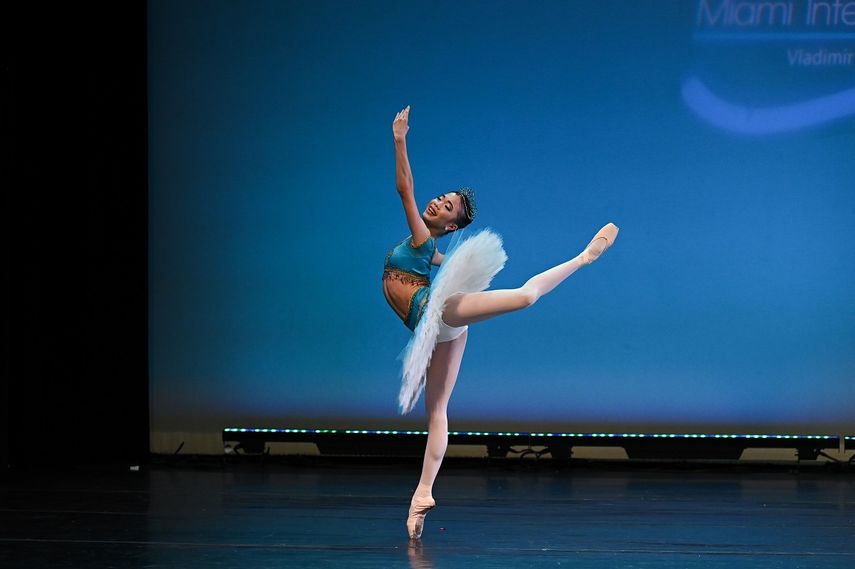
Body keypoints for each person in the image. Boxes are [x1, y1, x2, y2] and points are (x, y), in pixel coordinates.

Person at [382, 106, 619, 539]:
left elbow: (404, 188)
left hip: (438, 312)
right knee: (437, 412)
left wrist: (399, 139)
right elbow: (439, 257)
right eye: (443, 196)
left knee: (526, 296)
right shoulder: (428, 250)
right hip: (437, 326)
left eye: (446, 205)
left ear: (449, 224)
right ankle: (422, 496)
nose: (437, 201)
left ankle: (583, 258)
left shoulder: (420, 237)